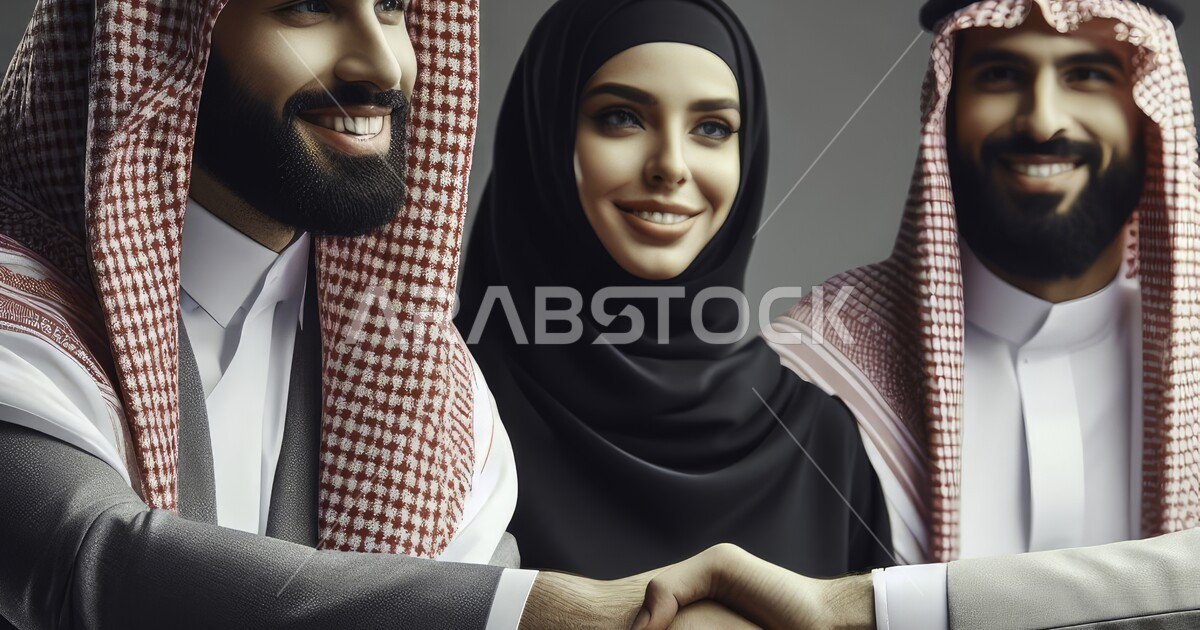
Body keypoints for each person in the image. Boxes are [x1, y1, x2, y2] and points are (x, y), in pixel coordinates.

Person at [0, 0, 744, 627]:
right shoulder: (19, 310)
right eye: (309, 6)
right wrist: (557, 612)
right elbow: (89, 559)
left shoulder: (437, 390)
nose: (382, 66)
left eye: (391, 3)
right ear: (162, 32)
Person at [634, 0, 1200, 628]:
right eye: (1001, 76)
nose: (1042, 119)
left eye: (1088, 75)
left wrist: (862, 606)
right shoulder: (810, 372)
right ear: (947, 107)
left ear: (1148, 107)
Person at [457, 0, 893, 581]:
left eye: (712, 128)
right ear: (545, 135)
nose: (671, 166)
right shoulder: (451, 413)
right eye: (621, 117)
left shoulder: (820, 442)